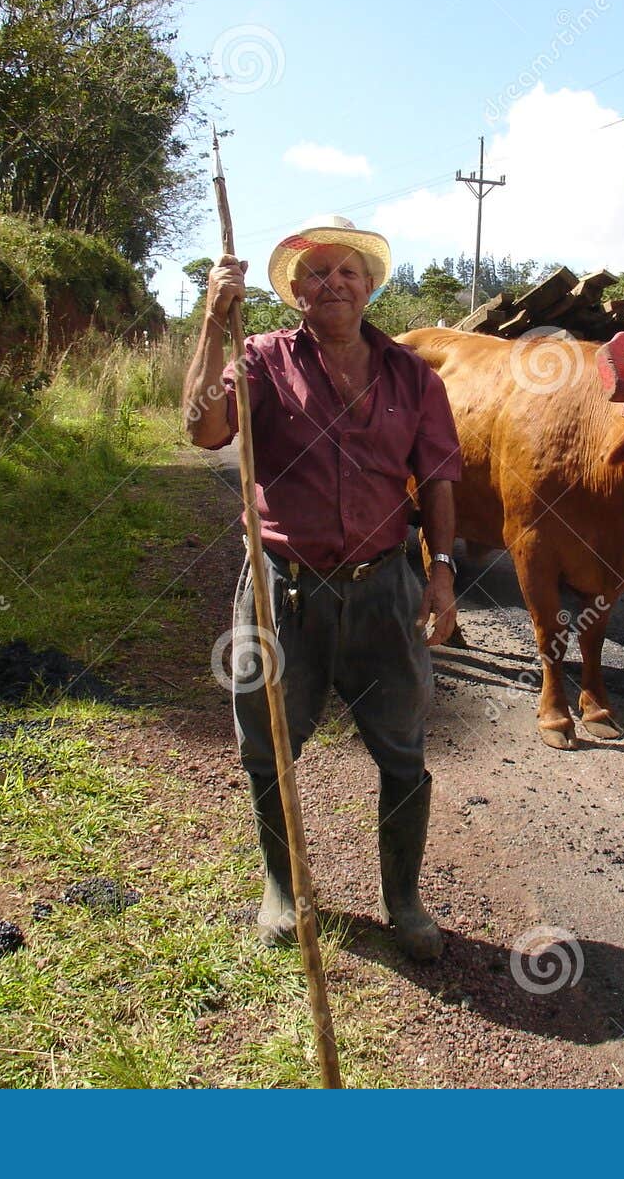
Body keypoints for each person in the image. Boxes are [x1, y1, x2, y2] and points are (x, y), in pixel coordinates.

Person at [183, 215, 462, 962]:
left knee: (404, 752)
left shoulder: (414, 377)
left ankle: (403, 899)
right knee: (268, 747)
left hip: (385, 590)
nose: (332, 283)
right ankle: (283, 885)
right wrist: (213, 321)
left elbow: (437, 478)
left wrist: (440, 571)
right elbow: (205, 430)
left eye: (347, 272)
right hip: (282, 591)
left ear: (370, 286)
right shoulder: (260, 359)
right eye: (316, 273)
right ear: (294, 292)